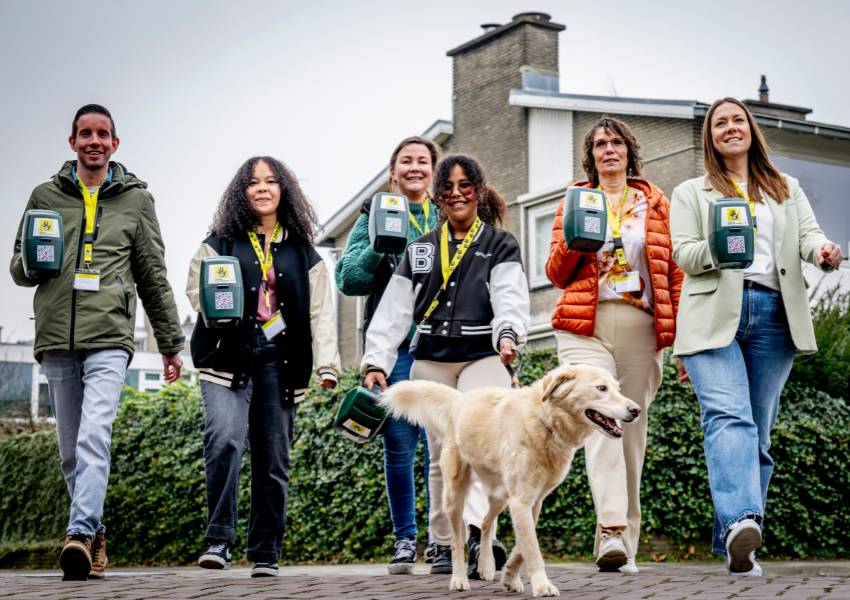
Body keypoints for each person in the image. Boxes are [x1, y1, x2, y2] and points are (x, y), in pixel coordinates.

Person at [10, 104, 185, 581]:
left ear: (114, 143)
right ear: (72, 143)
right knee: (70, 450)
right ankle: (94, 531)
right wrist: (35, 259)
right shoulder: (44, 195)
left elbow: (152, 274)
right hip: (56, 337)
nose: (94, 141)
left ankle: (80, 533)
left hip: (109, 335)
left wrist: (170, 343)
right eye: (85, 133)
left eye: (102, 134)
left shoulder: (135, 200)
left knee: (94, 435)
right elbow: (18, 269)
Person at [671, 98, 843, 576]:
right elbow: (684, 254)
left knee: (758, 435)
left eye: (737, 120)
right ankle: (741, 522)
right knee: (730, 418)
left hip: (773, 312)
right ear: (711, 136)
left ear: (751, 130)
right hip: (712, 314)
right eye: (719, 122)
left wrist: (825, 252)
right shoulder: (692, 191)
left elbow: (808, 237)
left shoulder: (784, 188)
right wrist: (722, 249)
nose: (730, 127)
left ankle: (735, 542)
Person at [361, 154, 530, 579]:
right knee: (442, 457)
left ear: (479, 190)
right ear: (438, 196)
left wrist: (508, 333)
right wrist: (376, 362)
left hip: (484, 356)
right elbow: (393, 311)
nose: (457, 193)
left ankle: (476, 534)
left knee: (483, 448)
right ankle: (442, 542)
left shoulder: (499, 244)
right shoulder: (418, 249)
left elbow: (510, 296)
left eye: (465, 185)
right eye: (448, 187)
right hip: (432, 359)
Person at [186, 156, 340, 577]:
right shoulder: (219, 242)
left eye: (271, 181)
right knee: (225, 441)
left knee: (273, 459)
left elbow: (322, 313)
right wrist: (223, 318)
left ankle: (265, 552)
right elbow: (195, 288)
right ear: (241, 191)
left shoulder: (302, 251)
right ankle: (219, 539)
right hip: (226, 357)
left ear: (283, 190)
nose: (262, 188)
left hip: (283, 360)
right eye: (253, 182)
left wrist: (327, 364)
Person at [546, 116, 683, 574]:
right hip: (585, 323)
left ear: (628, 151)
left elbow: (673, 273)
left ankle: (627, 546)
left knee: (630, 438)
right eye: (600, 143)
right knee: (602, 418)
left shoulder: (654, 202)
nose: (608, 149)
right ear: (591, 155)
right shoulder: (576, 200)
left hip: (641, 323)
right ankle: (611, 533)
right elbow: (555, 272)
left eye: (616, 142)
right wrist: (575, 240)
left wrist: (681, 338)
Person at [335, 136, 438, 574]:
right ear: (393, 171)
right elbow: (349, 279)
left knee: (443, 448)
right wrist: (381, 242)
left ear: (433, 169)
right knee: (399, 447)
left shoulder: (448, 212)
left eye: (423, 160)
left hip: (442, 346)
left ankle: (442, 540)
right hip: (394, 349)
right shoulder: (373, 214)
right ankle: (404, 540)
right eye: (405, 161)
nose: (414, 167)